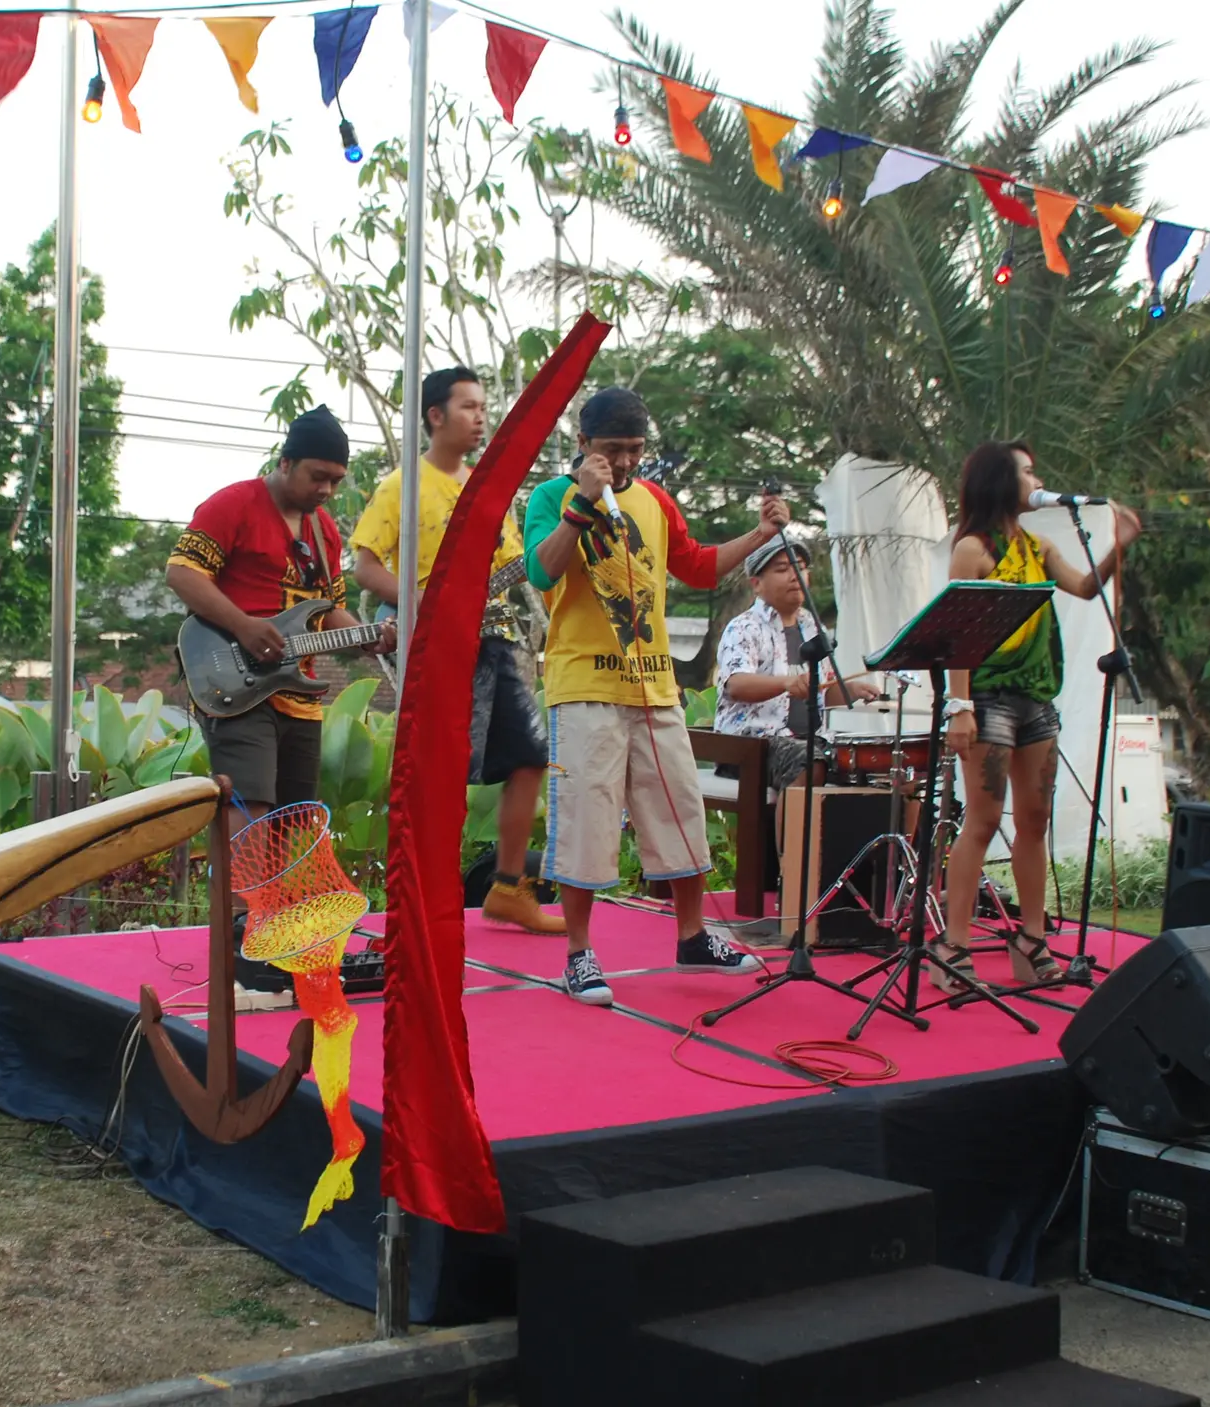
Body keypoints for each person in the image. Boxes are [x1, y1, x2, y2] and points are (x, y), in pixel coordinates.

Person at [521, 386, 792, 1006]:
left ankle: (693, 936)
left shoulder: (654, 500)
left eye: (635, 451)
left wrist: (759, 535)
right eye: (612, 450)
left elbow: (696, 566)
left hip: (654, 685)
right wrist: (581, 505)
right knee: (587, 821)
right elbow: (542, 571)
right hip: (584, 684)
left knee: (680, 809)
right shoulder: (550, 497)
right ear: (583, 444)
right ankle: (579, 954)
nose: (623, 463)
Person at [351, 366, 564, 935]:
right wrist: (417, 596)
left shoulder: (492, 491)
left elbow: (515, 568)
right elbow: (365, 564)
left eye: (483, 407)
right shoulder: (402, 485)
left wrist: (572, 531)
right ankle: (427, 895)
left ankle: (509, 888)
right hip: (436, 646)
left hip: (495, 636)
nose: (480, 418)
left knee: (529, 758)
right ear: (435, 416)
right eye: (468, 407)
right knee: (440, 772)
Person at [937, 441, 1141, 989]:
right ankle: (952, 946)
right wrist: (960, 707)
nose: (1037, 479)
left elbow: (1082, 588)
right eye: (1028, 472)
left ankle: (1030, 938)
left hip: (1036, 698)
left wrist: (1115, 548)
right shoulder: (974, 550)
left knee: (1034, 821)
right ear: (1002, 480)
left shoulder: (1038, 545)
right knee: (982, 820)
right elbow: (959, 632)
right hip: (988, 698)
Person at [166, 406, 394, 829]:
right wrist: (244, 626)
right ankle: (240, 899)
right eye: (318, 476)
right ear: (285, 463)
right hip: (238, 687)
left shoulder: (325, 530)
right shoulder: (234, 504)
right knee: (248, 810)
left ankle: (281, 899)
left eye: (336, 481)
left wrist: (372, 636)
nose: (326, 489)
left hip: (300, 699)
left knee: (294, 823)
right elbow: (181, 573)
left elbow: (329, 611)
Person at [713, 532, 882, 790]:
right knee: (809, 761)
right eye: (783, 569)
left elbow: (819, 692)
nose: (795, 576)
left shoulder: (812, 626)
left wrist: (851, 691)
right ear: (756, 583)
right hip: (752, 744)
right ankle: (791, 832)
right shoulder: (744, 627)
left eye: (801, 568)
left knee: (878, 762)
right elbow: (735, 685)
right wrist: (786, 682)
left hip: (811, 739)